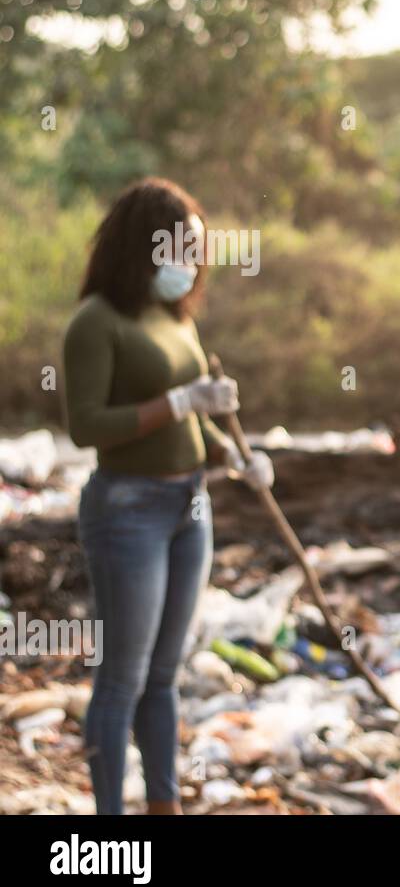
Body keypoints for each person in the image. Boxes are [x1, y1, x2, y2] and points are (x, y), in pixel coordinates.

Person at [62, 177, 274, 814]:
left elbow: (192, 418)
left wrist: (235, 455)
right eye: (180, 248)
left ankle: (163, 808)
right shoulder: (95, 323)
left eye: (195, 250)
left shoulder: (176, 318)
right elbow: (87, 426)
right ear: (142, 246)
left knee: (164, 675)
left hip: (191, 506)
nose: (190, 264)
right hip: (129, 511)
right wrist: (180, 401)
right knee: (121, 678)